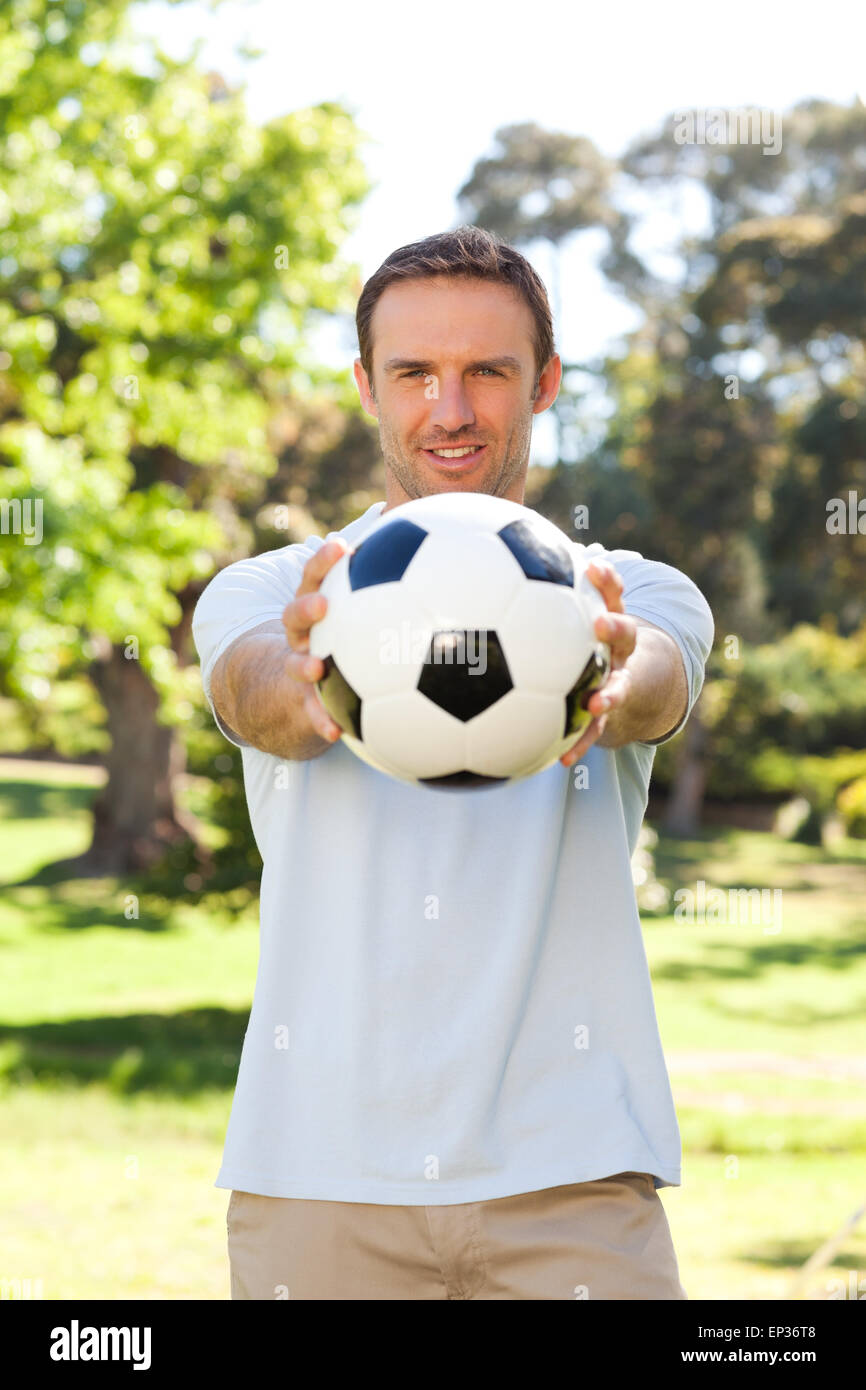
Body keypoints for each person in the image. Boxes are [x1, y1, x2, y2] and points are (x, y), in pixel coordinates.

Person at [192, 226, 714, 1301]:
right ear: (366, 387)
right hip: (318, 1177)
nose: (451, 408)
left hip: (572, 1173)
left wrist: (609, 682)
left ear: (545, 383)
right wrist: (302, 679)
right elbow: (252, 692)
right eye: (414, 373)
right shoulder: (269, 593)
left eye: (488, 371)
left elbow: (655, 679)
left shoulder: (629, 593)